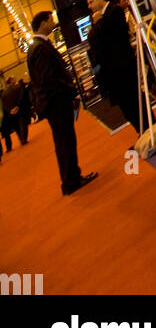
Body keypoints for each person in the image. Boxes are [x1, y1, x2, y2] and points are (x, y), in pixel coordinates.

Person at [27, 11, 98, 196]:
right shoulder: (39, 47)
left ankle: (72, 178)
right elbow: (46, 79)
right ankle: (71, 181)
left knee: (64, 141)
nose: (53, 22)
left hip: (55, 102)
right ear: (42, 24)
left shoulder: (38, 46)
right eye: (50, 20)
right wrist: (67, 89)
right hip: (56, 102)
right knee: (65, 141)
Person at [87, 0, 142, 135]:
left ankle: (149, 130)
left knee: (135, 102)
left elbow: (114, 36)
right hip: (112, 71)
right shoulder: (97, 17)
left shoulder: (114, 11)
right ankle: (141, 132)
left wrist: (98, 23)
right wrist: (97, 23)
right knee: (125, 106)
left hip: (123, 66)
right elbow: (92, 40)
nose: (90, 6)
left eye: (91, 2)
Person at [2, 74, 29, 147]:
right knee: (22, 123)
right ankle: (24, 139)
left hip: (11, 112)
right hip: (19, 109)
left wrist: (10, 110)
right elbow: (21, 97)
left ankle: (21, 138)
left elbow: (4, 104)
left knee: (16, 126)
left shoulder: (4, 93)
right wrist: (17, 106)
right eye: (14, 78)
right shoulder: (18, 87)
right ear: (12, 80)